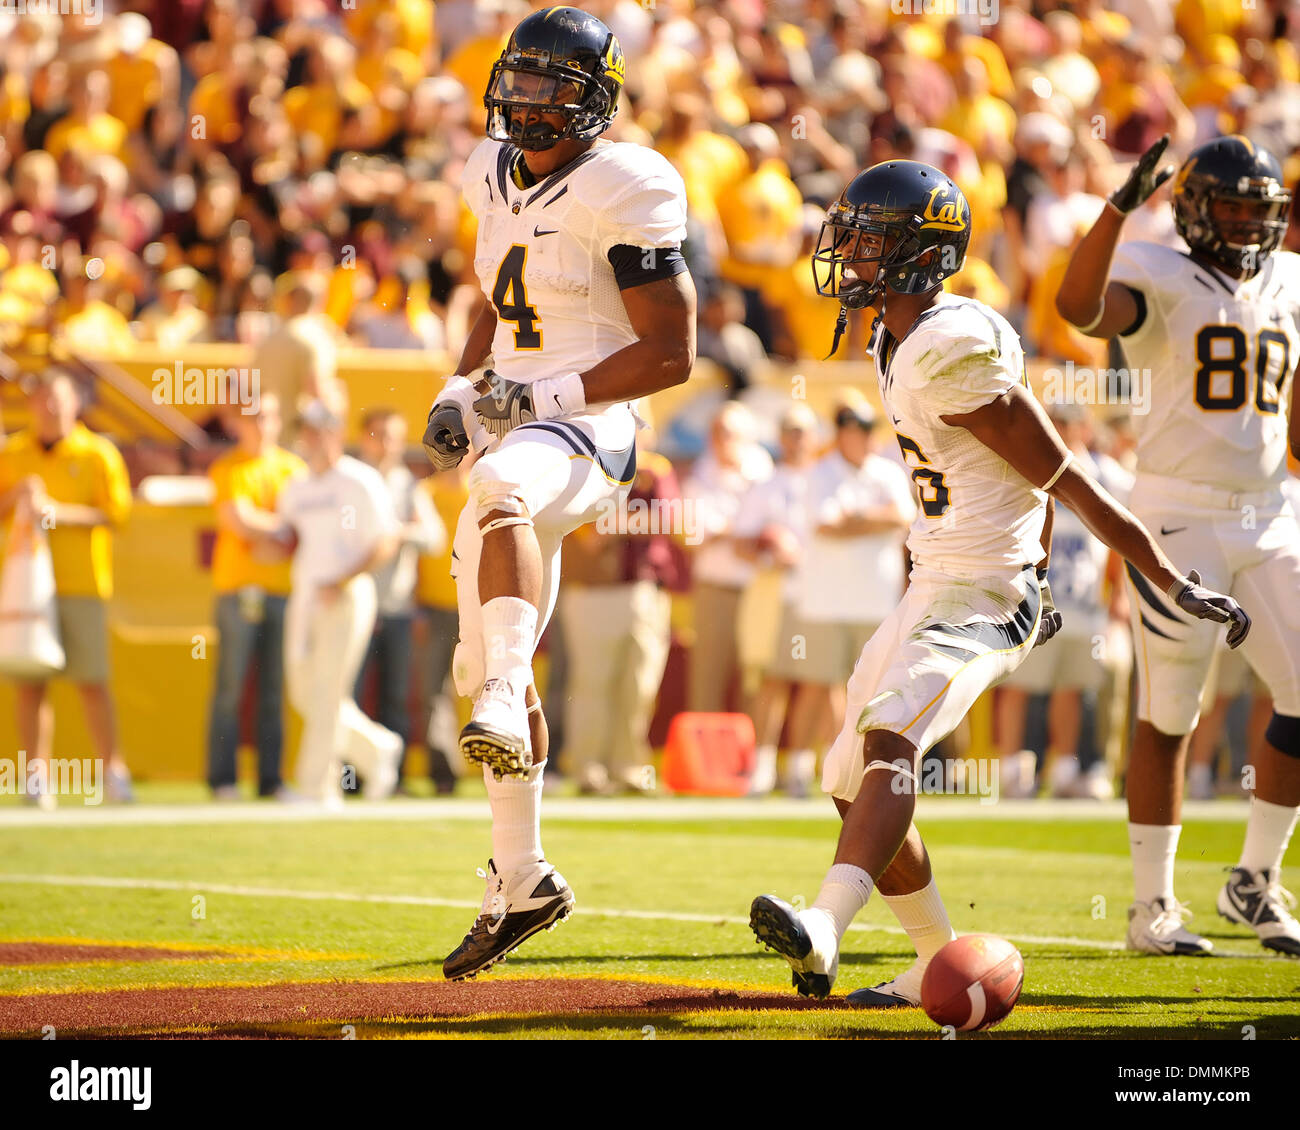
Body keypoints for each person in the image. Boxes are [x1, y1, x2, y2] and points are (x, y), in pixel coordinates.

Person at [748, 160, 1249, 1004]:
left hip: (984, 592)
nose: (853, 254)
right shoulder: (895, 333)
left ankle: (826, 925)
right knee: (848, 777)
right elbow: (1023, 480)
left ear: (920, 253)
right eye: (856, 235)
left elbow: (1061, 474)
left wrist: (1158, 571)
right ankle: (930, 960)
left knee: (890, 741)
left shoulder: (951, 344)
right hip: (932, 581)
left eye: (871, 238)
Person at [420, 7, 695, 981]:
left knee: (499, 490)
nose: (526, 101)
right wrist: (463, 383)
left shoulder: (631, 181)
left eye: (550, 85)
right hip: (514, 405)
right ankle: (521, 875)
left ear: (595, 99)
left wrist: (544, 392)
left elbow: (672, 352)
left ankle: (502, 687)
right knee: (480, 662)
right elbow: (494, 290)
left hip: (593, 418)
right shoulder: (488, 170)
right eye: (518, 81)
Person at [1058, 135, 1300, 956]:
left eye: (1256, 209)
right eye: (1229, 206)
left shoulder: (1292, 277)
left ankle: (1254, 881)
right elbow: (1077, 308)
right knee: (1170, 712)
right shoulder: (1158, 271)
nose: (1243, 223)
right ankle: (1151, 907)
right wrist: (1117, 208)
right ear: (1195, 209)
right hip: (1177, 514)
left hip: (1272, 510)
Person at [0, 369, 134, 805]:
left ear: (76, 403)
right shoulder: (15, 452)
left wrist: (56, 513)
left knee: (92, 680)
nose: (50, 407)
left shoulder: (98, 453)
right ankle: (36, 775)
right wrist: (17, 496)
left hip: (81, 582)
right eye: (41, 399)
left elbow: (116, 515)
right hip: (27, 584)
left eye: (58, 399)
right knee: (30, 681)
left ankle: (113, 771)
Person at [275, 400, 404, 807]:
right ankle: (376, 749)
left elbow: (385, 540)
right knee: (302, 691)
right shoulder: (296, 485)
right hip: (307, 597)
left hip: (347, 596)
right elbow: (285, 537)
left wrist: (343, 579)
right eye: (306, 429)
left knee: (329, 690)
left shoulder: (359, 480)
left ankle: (318, 786)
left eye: (318, 429)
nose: (310, 437)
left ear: (335, 431)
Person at [205, 392, 304, 800]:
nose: (261, 425)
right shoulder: (227, 468)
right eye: (254, 417)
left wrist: (271, 532)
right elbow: (237, 519)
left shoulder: (292, 469)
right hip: (238, 590)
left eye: (267, 417)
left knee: (272, 690)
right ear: (239, 424)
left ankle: (270, 779)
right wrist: (280, 531)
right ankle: (222, 778)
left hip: (282, 590)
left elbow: (301, 525)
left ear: (278, 421)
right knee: (230, 687)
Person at [352, 408, 445, 790]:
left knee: (395, 697)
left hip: (396, 608)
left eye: (392, 435)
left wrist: (399, 534)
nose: (386, 444)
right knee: (352, 697)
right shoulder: (351, 481)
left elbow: (434, 538)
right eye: (378, 435)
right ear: (363, 438)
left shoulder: (409, 486)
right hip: (354, 606)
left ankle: (394, 779)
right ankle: (351, 779)